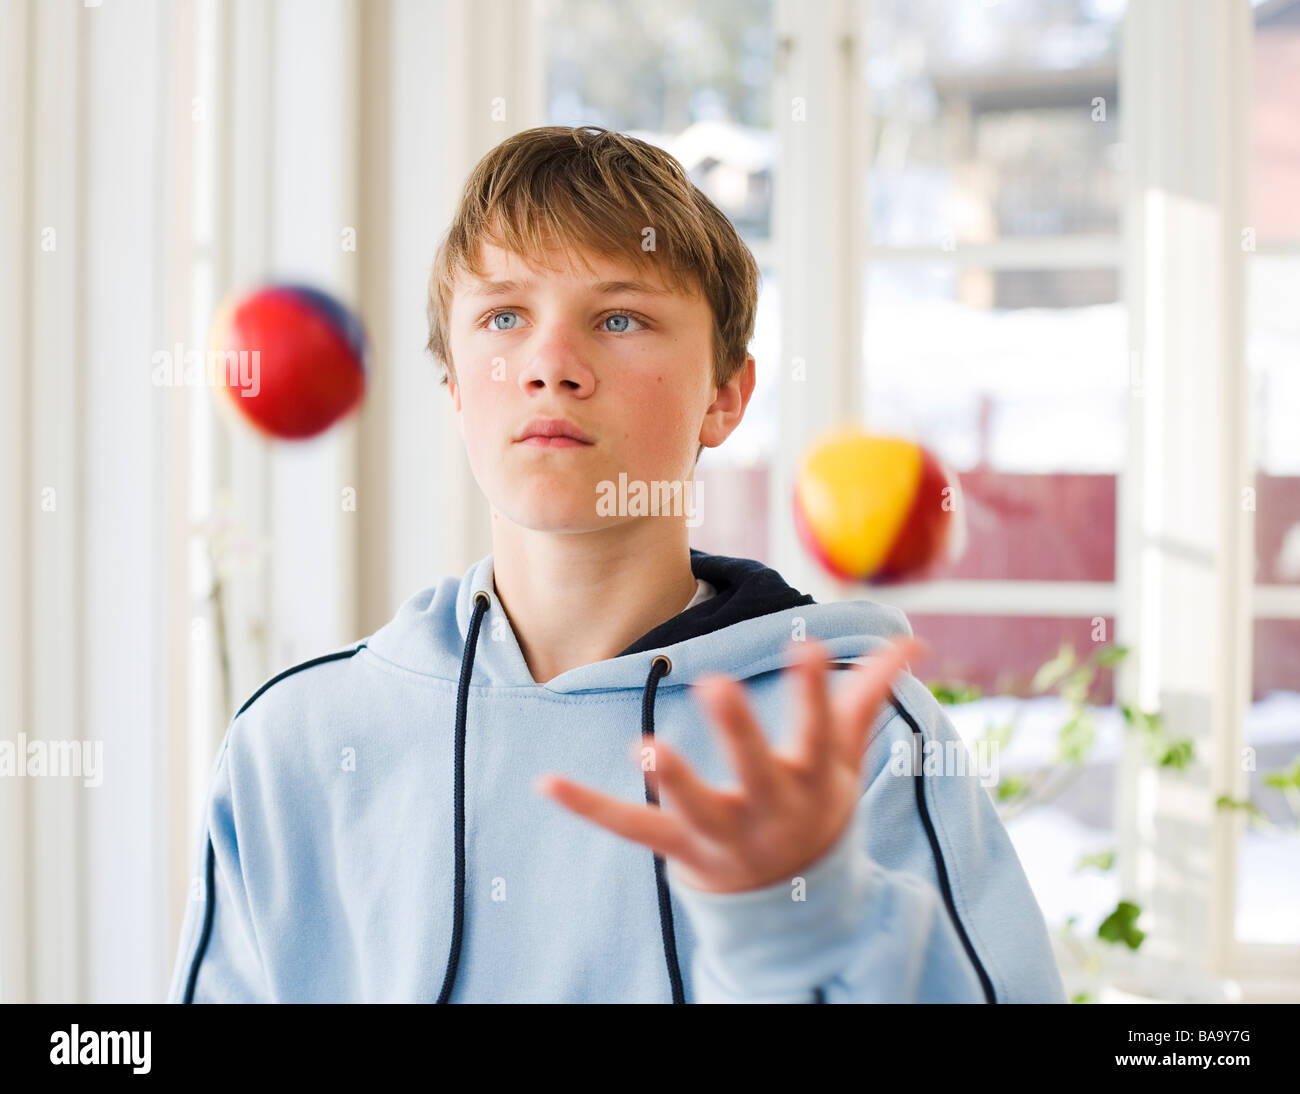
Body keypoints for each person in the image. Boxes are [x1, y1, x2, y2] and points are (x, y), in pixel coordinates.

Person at [167, 125, 1066, 1004]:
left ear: (725, 395)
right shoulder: (297, 741)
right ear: (455, 388)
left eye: (621, 317)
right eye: (505, 315)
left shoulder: (850, 736)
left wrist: (828, 935)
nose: (551, 365)